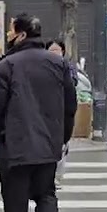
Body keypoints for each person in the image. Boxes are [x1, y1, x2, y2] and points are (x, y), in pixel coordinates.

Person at [0, 14, 77, 212]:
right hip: (48, 145)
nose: (8, 36)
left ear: (22, 35)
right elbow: (70, 106)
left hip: (14, 147)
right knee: (46, 193)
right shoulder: (58, 64)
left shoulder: (6, 66)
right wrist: (62, 138)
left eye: (10, 31)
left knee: (15, 203)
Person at [46, 38, 73, 186]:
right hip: (48, 113)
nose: (55, 53)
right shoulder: (43, 67)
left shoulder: (68, 68)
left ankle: (57, 176)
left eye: (57, 50)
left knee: (62, 147)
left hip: (62, 113)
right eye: (51, 50)